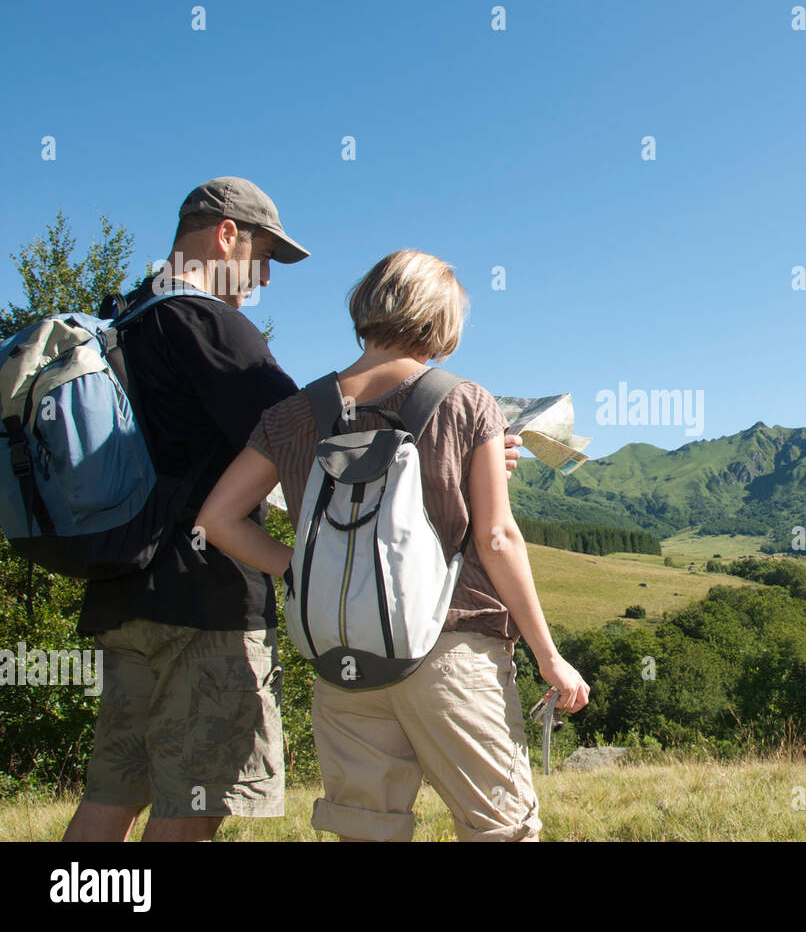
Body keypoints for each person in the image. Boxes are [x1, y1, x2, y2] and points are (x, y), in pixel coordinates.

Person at [61, 177, 526, 842]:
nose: (267, 280)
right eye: (266, 256)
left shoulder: (126, 322)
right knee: (196, 793)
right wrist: (471, 452)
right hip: (203, 602)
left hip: (121, 594)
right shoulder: (212, 325)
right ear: (228, 234)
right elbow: (325, 440)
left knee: (113, 787)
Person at [196, 248, 588, 841]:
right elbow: (497, 536)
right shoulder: (464, 400)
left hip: (343, 658)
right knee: (500, 829)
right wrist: (548, 654)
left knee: (365, 830)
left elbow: (218, 521)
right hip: (451, 652)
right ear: (442, 322)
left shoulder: (292, 414)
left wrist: (300, 570)